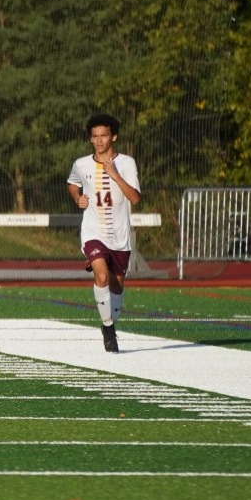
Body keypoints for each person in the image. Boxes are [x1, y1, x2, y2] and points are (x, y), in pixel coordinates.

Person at [66, 112, 141, 354]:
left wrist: (116, 175)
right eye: (95, 136)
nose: (99, 141)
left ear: (114, 137)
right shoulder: (81, 164)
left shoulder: (127, 163)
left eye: (104, 135)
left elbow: (135, 198)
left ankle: (110, 320)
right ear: (90, 139)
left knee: (117, 285)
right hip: (93, 231)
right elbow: (72, 183)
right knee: (101, 276)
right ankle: (108, 328)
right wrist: (78, 198)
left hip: (120, 236)